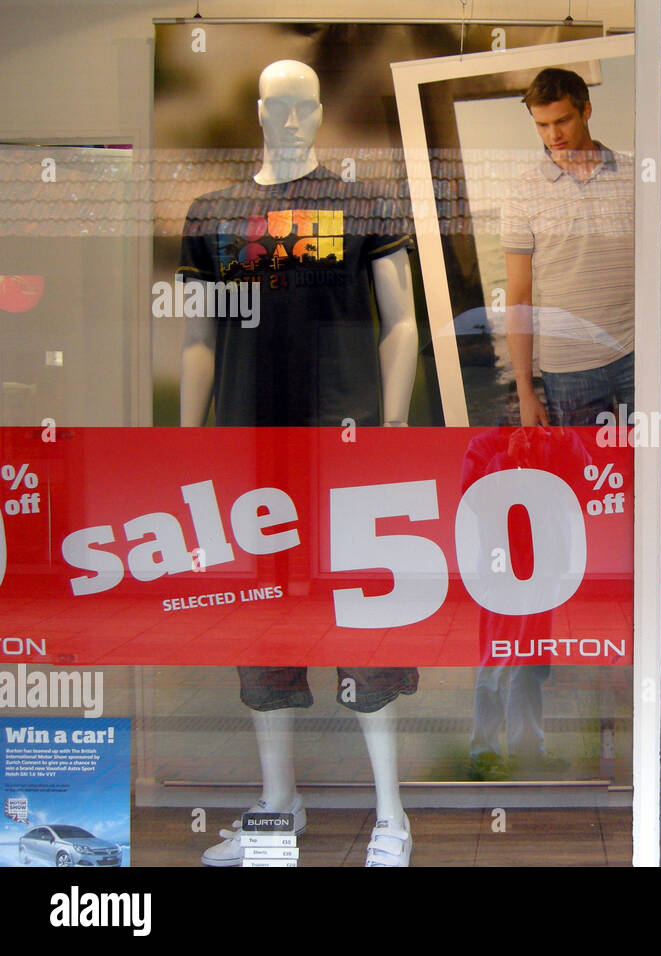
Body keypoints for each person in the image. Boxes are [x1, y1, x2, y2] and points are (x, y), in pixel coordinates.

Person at [178, 59, 420, 867]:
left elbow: (402, 324)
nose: (289, 118)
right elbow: (197, 340)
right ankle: (278, 804)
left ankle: (391, 815)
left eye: (304, 104)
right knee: (262, 619)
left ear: (320, 112)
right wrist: (188, 444)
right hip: (250, 448)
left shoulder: (364, 202)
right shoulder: (212, 213)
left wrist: (390, 424)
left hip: (345, 443)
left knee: (363, 618)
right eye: (275, 105)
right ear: (256, 110)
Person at [502, 67, 635, 428]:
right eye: (542, 125)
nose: (553, 135)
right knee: (588, 477)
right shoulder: (522, 193)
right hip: (567, 369)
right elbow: (519, 296)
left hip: (639, 354)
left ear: (586, 111)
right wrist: (526, 392)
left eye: (562, 121)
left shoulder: (636, 177)